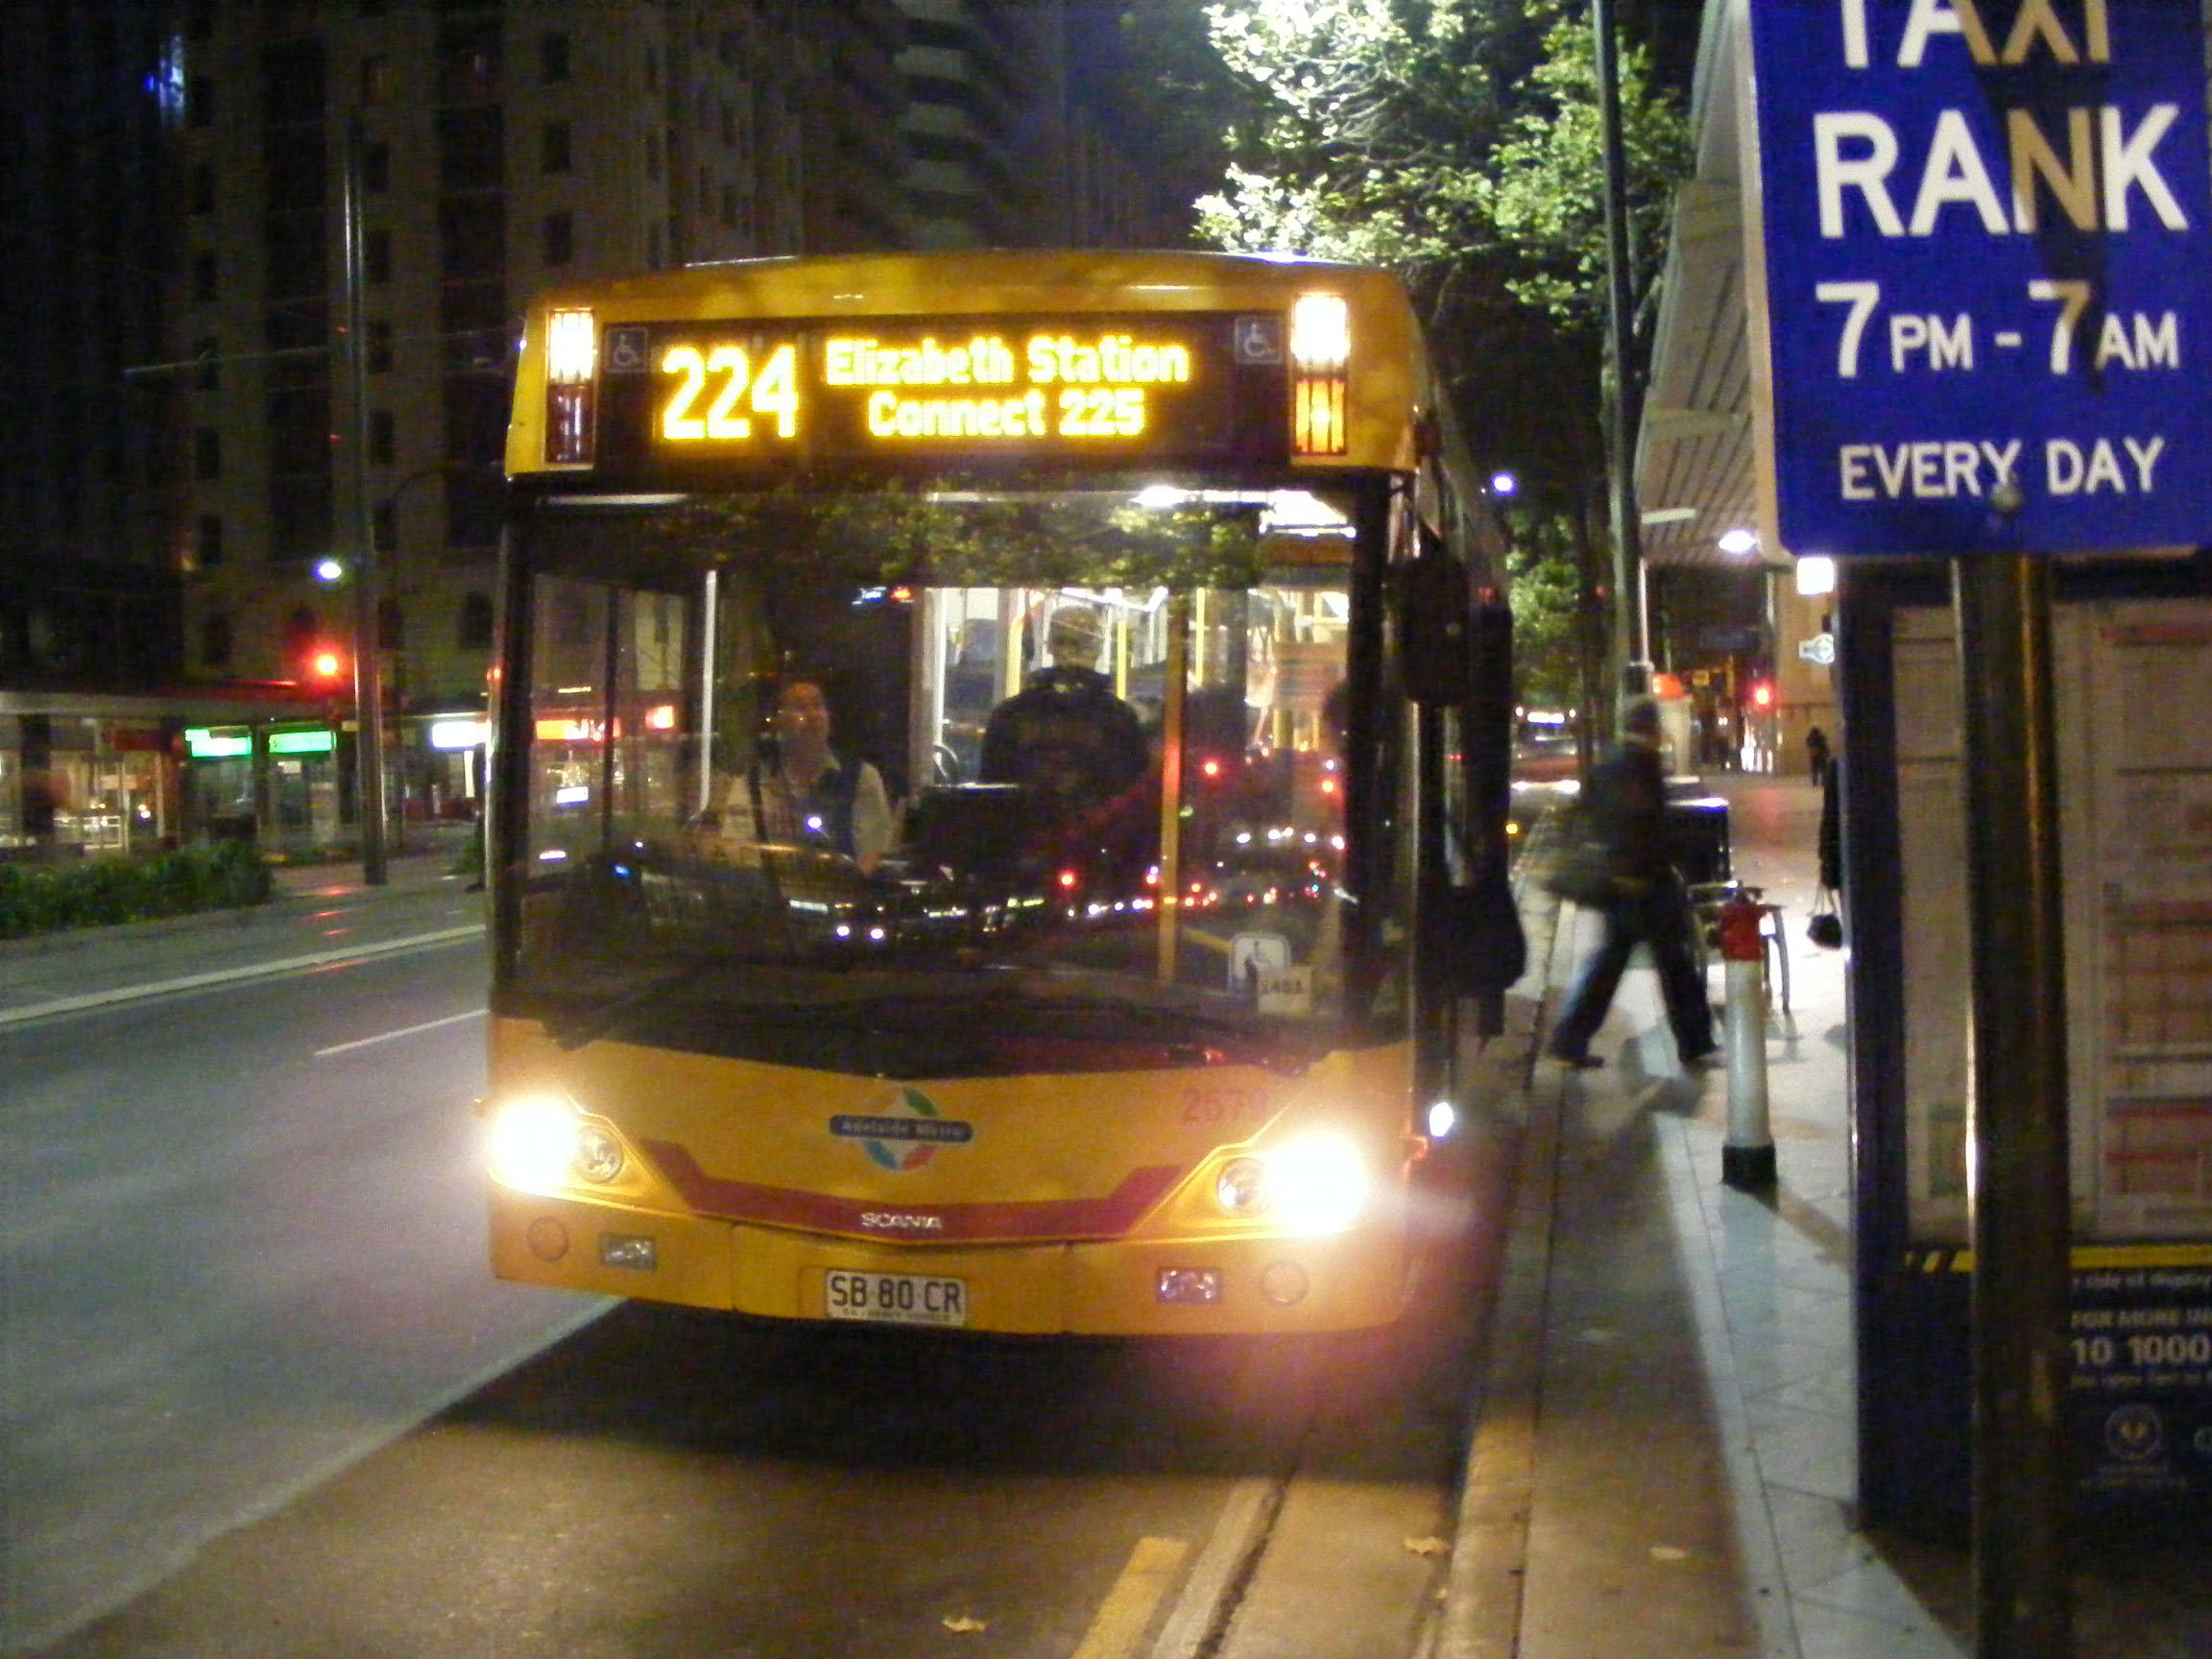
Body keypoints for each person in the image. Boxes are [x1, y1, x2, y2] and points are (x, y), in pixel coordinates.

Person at [1545, 695, 1718, 1071]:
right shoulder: (1640, 766)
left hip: (1618, 881)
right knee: (1675, 963)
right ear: (1652, 728)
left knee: (1611, 965)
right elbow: (1642, 820)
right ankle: (1695, 1040)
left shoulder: (1608, 762)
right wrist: (1646, 865)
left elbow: (1586, 810)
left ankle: (1570, 1038)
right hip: (1644, 883)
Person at [978, 606, 1145, 812]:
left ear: (1097, 647)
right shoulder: (1118, 716)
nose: (1068, 652)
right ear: (1051, 646)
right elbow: (993, 789)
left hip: (1082, 830)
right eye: (1062, 641)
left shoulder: (1012, 713)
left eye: (1079, 643)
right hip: (1048, 829)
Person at [722, 679, 894, 871]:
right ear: (779, 722)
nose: (812, 715)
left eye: (817, 705)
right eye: (799, 707)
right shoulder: (752, 782)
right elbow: (736, 852)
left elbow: (872, 855)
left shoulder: (862, 779)